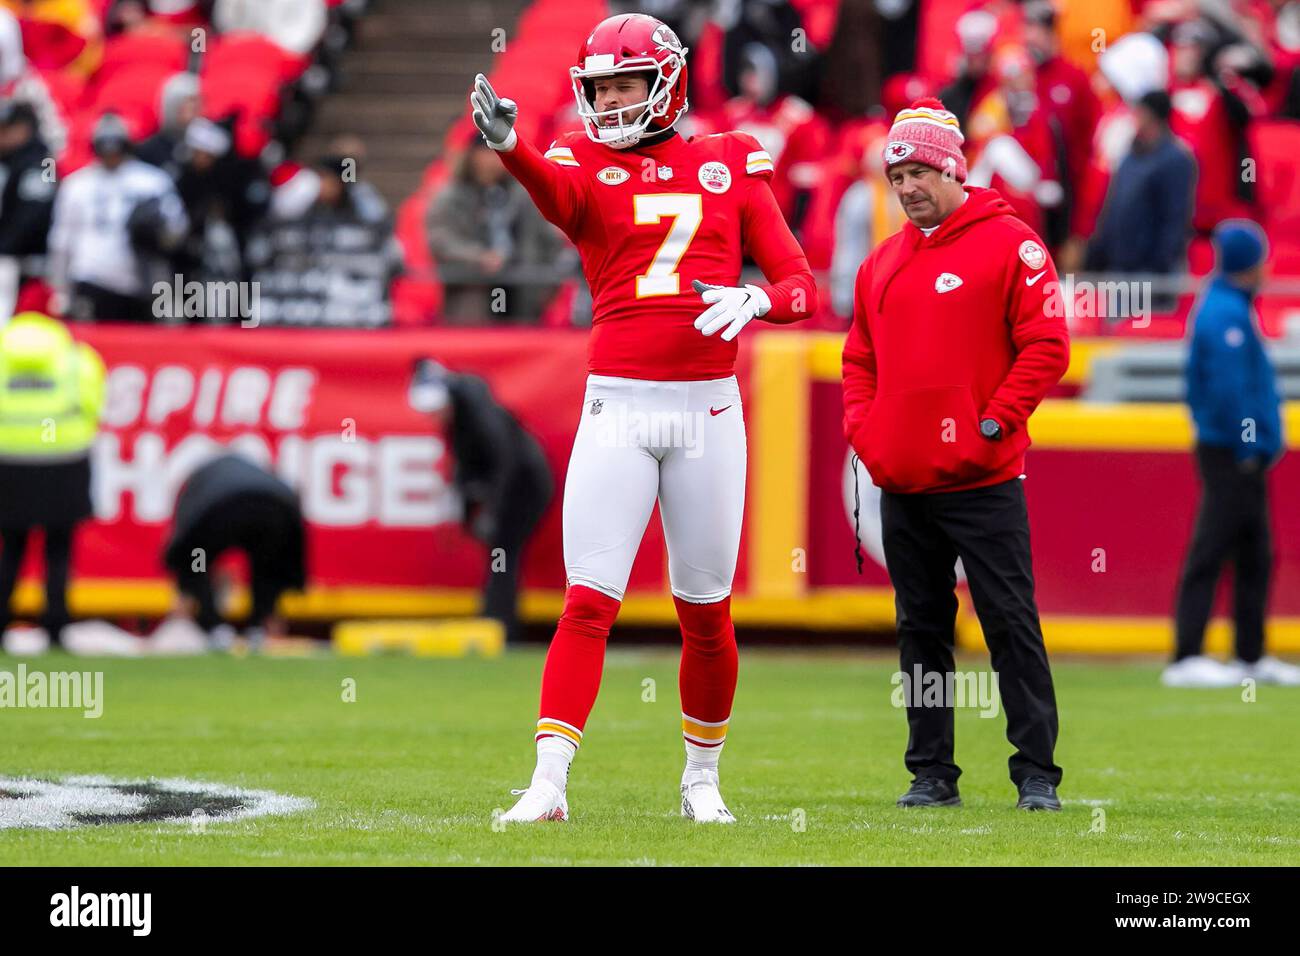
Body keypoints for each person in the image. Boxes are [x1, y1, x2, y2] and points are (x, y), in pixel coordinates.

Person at [469, 12, 817, 823]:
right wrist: (511, 150)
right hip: (618, 404)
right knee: (588, 600)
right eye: (600, 88)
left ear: (668, 82)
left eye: (627, 84)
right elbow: (557, 196)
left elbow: (803, 285)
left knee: (704, 611)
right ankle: (548, 782)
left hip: (708, 410)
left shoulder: (729, 160)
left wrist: (757, 295)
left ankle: (702, 781)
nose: (613, 102)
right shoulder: (578, 160)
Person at [842, 98, 1070, 811]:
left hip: (983, 479)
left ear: (951, 170)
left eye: (918, 171)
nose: (907, 187)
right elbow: (859, 362)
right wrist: (867, 435)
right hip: (905, 481)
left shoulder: (1012, 245)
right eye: (896, 174)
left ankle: (1036, 771)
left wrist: (995, 426)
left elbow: (1047, 346)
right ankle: (931, 773)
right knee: (921, 633)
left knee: (1009, 622)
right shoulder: (881, 263)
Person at [1167, 220, 1299, 688]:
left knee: (1255, 554)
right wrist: (1249, 444)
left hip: (1241, 451)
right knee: (1213, 547)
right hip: (1229, 451)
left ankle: (1250, 655)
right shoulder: (1224, 314)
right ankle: (1186, 656)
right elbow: (1230, 391)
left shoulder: (1230, 307)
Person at [409, 359, 554, 642]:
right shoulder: (458, 419)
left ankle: (499, 625)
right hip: (509, 487)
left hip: (527, 486)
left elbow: (505, 463)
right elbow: (467, 468)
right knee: (499, 553)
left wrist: (492, 512)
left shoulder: (482, 416)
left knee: (504, 550)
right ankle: (495, 620)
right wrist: (467, 512)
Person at [0, 312, 105, 651]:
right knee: (58, 550)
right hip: (64, 459)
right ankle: (56, 628)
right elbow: (93, 404)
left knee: (11, 550)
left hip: (8, 460)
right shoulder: (75, 358)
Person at [47, 112, 188, 321]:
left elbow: (177, 229)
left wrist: (155, 235)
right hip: (92, 275)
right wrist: (61, 289)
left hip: (142, 277)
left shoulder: (152, 181)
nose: (111, 154)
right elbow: (62, 240)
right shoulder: (77, 185)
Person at [159, 453, 306, 652]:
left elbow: (185, 548)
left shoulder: (198, 488)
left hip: (221, 511)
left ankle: (216, 628)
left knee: (196, 563)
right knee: (266, 565)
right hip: (277, 509)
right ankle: (259, 627)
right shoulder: (251, 478)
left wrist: (187, 582)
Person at [426, 140, 568, 324]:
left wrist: (547, 283)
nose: (492, 161)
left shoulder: (522, 193)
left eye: (496, 153)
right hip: (473, 289)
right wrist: (479, 256)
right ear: (472, 157)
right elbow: (441, 240)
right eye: (486, 153)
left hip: (521, 288)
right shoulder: (451, 196)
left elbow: (547, 236)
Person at [1084, 90, 1196, 282]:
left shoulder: (1175, 159)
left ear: (1152, 115)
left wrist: (1161, 264)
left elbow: (1175, 215)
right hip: (1119, 264)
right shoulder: (1131, 153)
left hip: (1150, 270)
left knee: (1148, 313)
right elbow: (1114, 204)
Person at [0, 100, 56, 318]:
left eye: (5, 129)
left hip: (27, 266)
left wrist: (5, 249)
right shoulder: (8, 162)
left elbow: (37, 214)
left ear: (23, 128)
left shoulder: (45, 161)